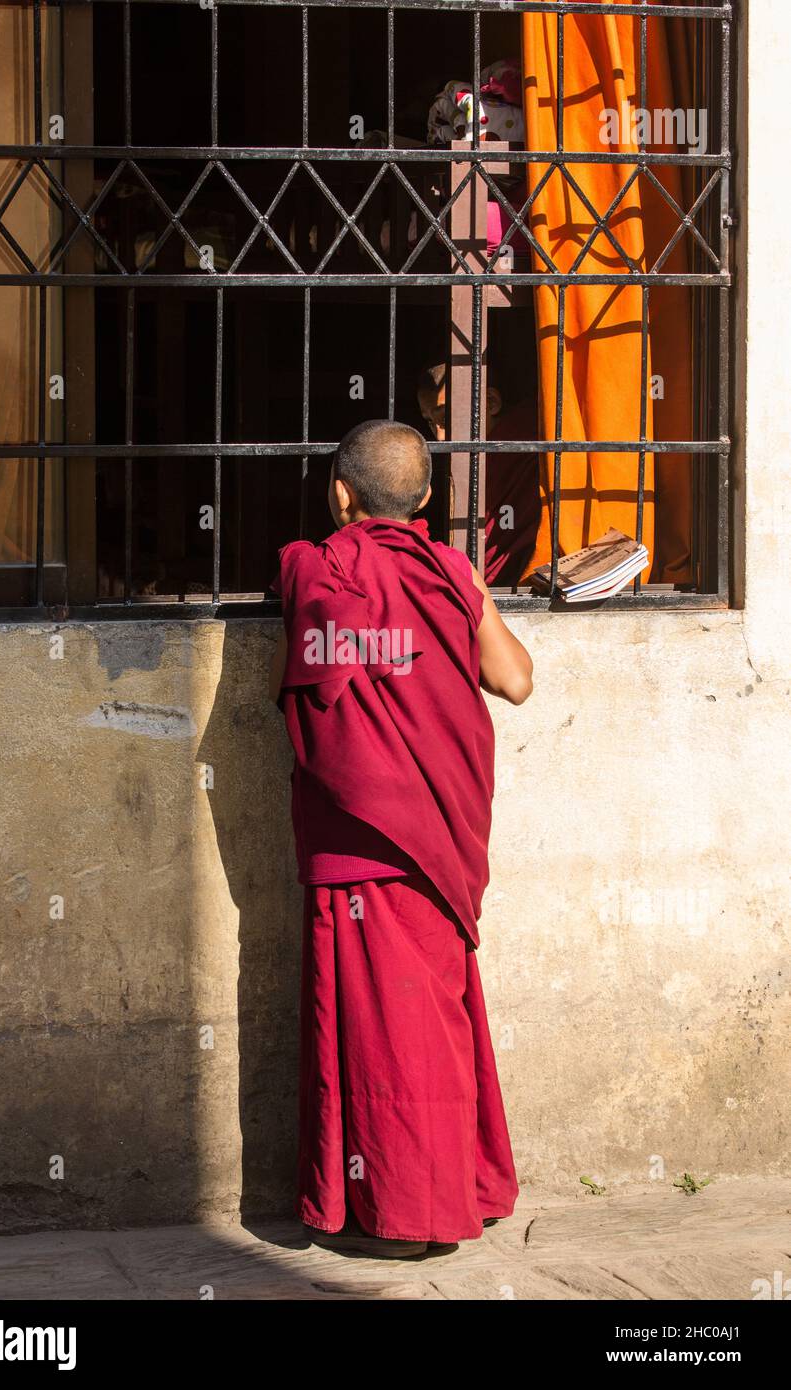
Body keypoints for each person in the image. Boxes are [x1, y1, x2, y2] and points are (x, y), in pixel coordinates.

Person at [269, 419, 533, 1258]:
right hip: (441, 837)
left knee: (383, 1030)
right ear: (424, 500)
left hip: (365, 836)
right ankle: (459, 1188)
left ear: (338, 492)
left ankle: (407, 1215)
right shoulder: (448, 571)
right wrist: (472, 597)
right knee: (435, 1021)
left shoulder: (314, 568)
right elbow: (515, 680)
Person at [417, 363, 541, 587]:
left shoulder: (532, 443)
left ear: (491, 403)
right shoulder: (478, 458)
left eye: (446, 418)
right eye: (429, 422)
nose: (439, 437)